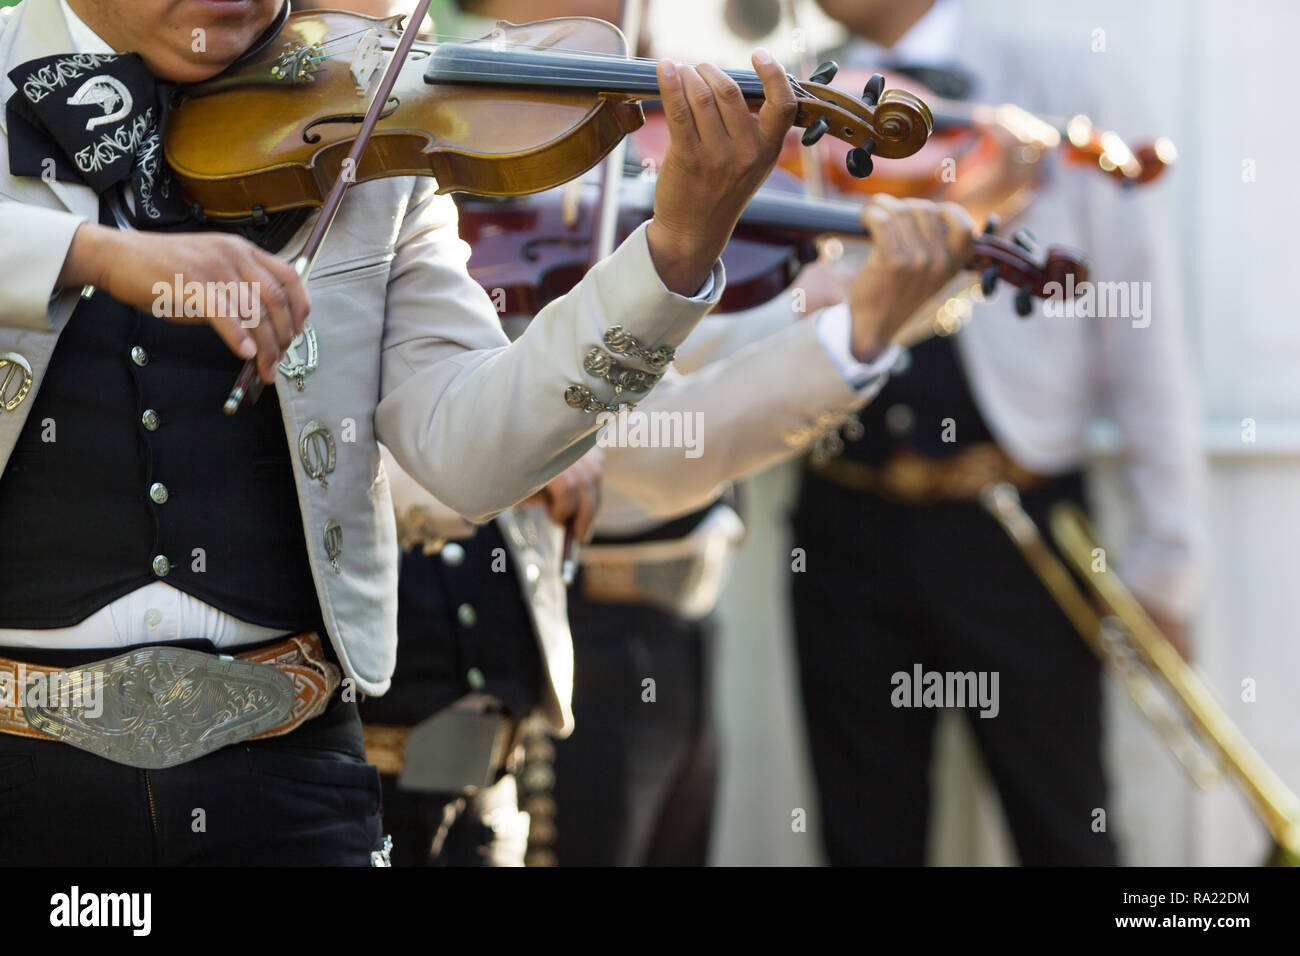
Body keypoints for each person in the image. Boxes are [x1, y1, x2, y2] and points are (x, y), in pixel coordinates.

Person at [0, 0, 802, 865]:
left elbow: (473, 451)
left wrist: (675, 249)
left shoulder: (360, 118)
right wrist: (95, 254)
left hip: (289, 779)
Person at [789, 0, 1205, 865]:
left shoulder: (1064, 78)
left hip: (1017, 528)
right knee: (861, 833)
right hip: (842, 524)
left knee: (1065, 825)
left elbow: (1144, 333)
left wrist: (1171, 557)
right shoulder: (805, 90)